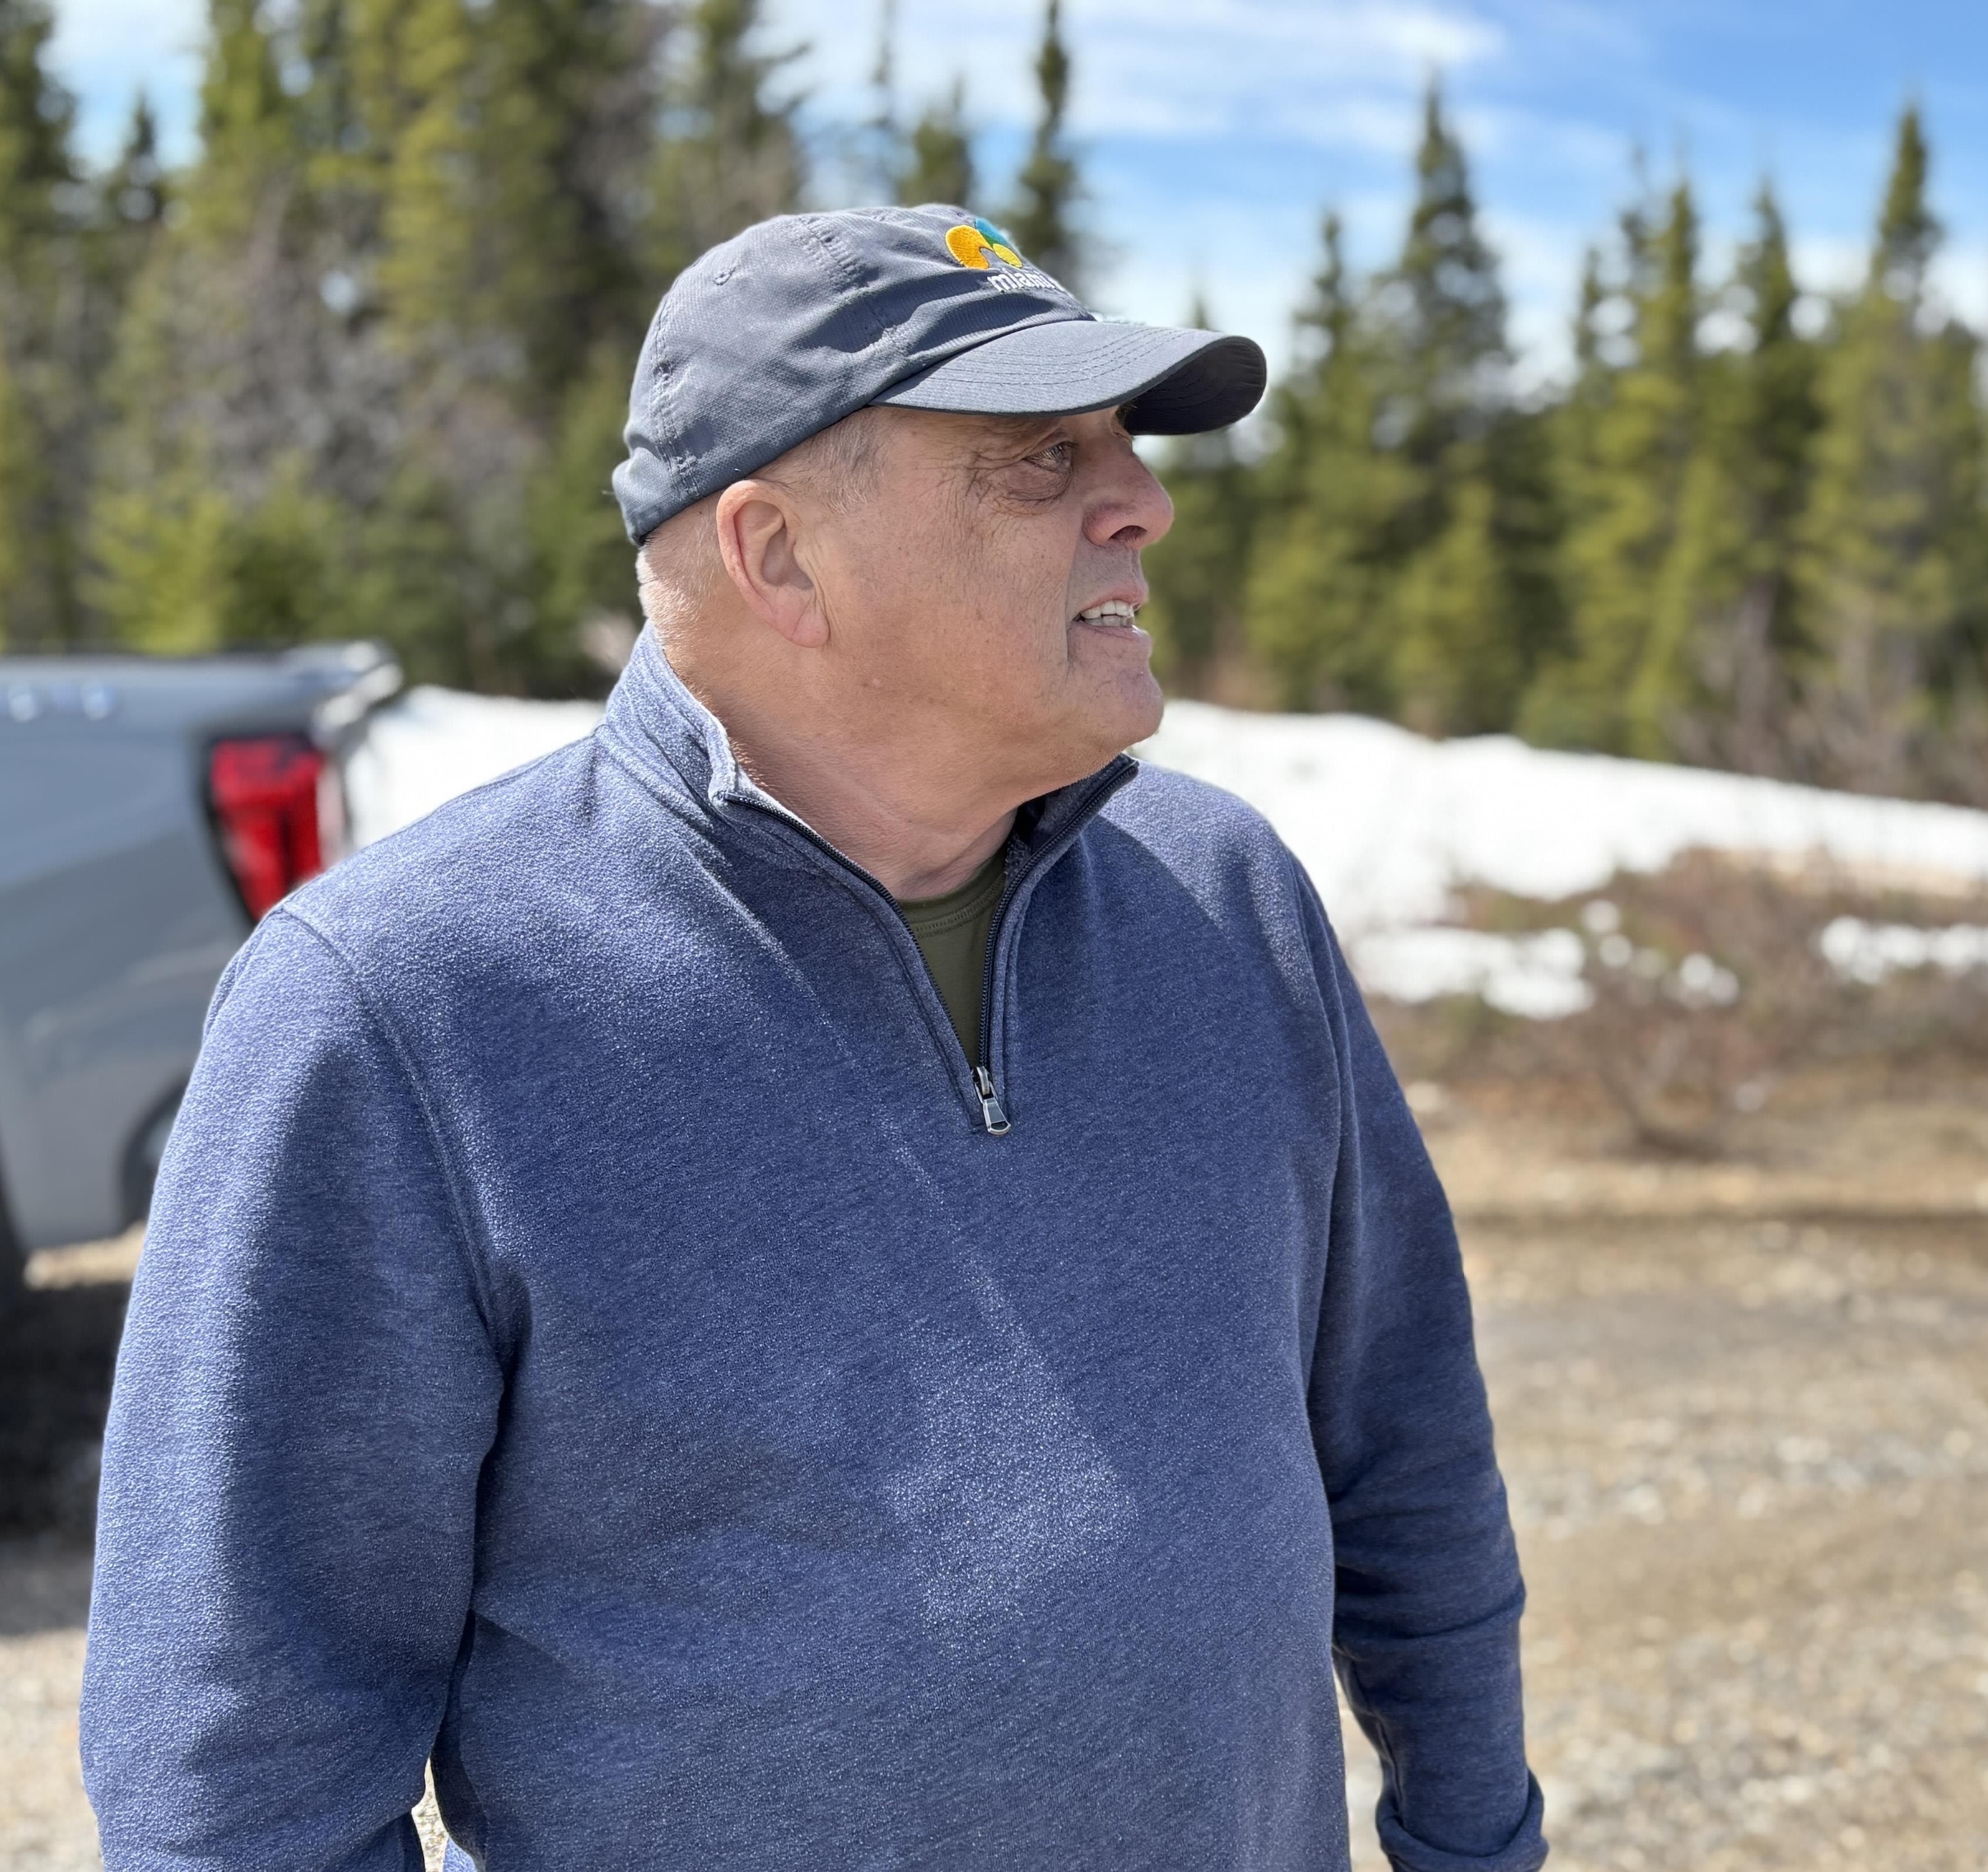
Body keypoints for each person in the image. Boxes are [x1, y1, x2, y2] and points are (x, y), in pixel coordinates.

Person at [79, 204, 1545, 1872]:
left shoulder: (1225, 899)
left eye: (1120, 450)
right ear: (777, 556)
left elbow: (1403, 1448)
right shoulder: (403, 1003)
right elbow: (243, 1765)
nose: (1139, 503)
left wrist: (1475, 1840)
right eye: (1036, 460)